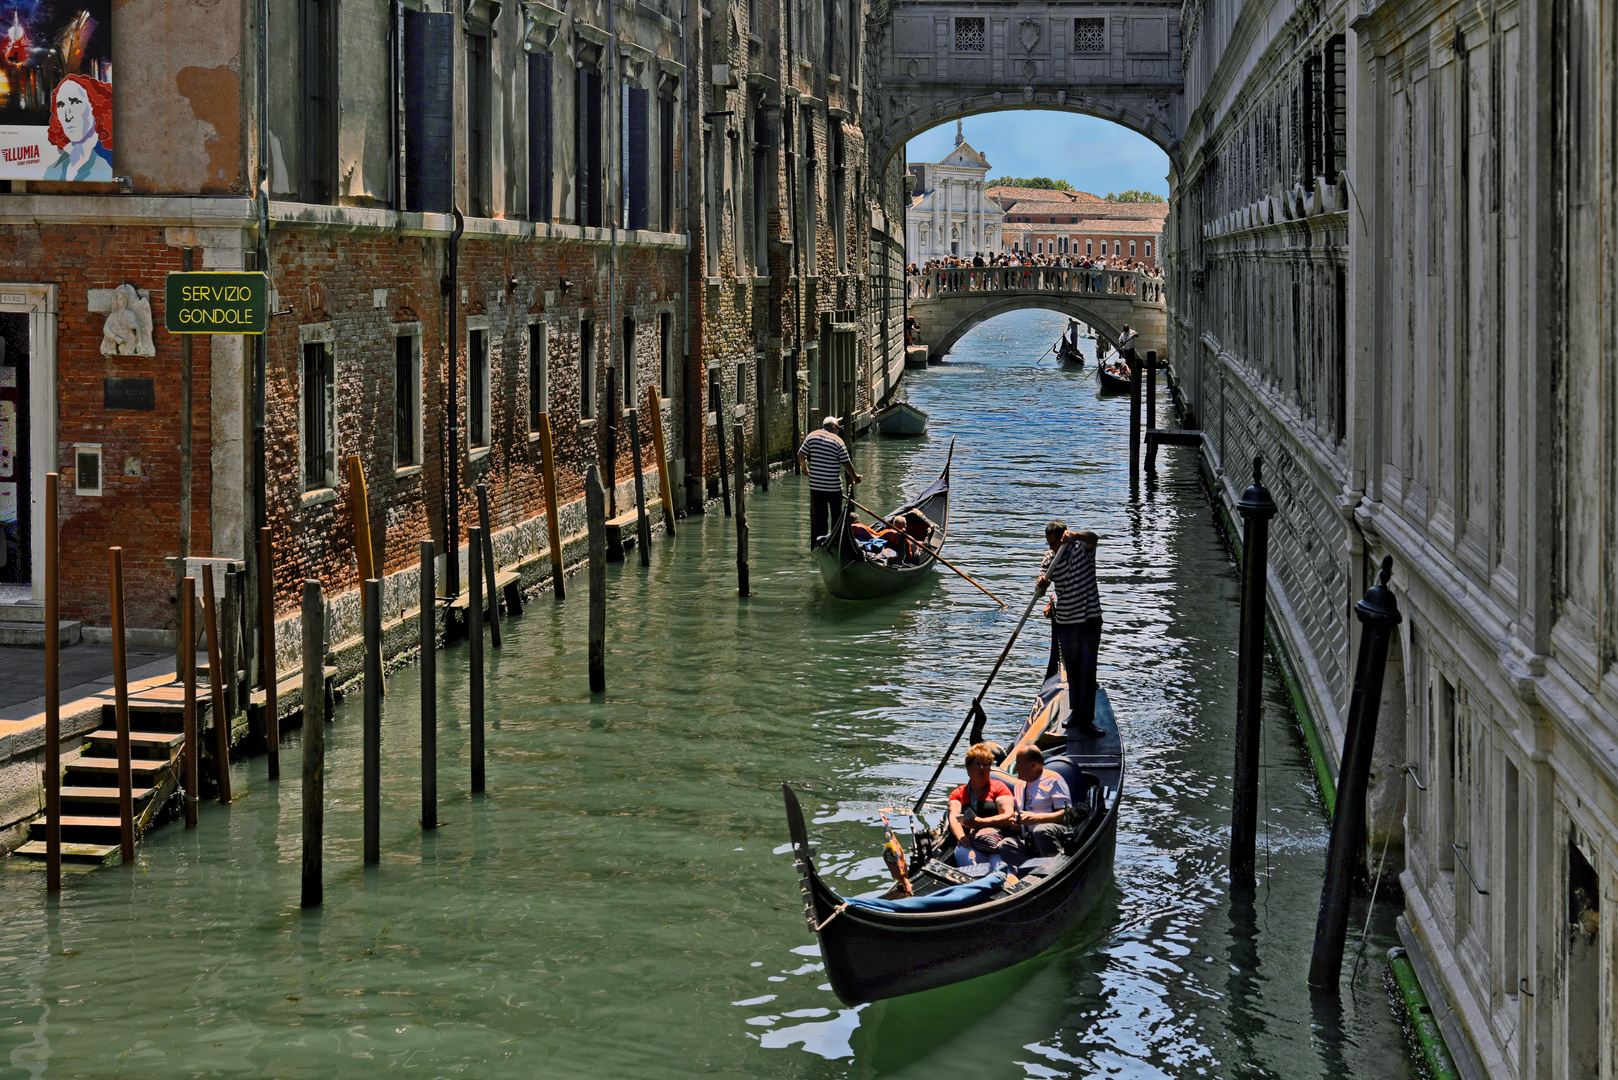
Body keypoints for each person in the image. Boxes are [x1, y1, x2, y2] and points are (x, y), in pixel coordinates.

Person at [1036, 520, 1105, 739]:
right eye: (1049, 544)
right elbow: (1043, 580)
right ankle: (1076, 712)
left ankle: (1087, 719)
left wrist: (1075, 535)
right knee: (1073, 669)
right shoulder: (1050, 558)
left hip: (1089, 619)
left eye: (1054, 543)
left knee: (1087, 669)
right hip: (1065, 621)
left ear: (1063, 537)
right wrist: (1041, 584)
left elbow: (1093, 538)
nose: (1051, 548)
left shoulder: (1081, 550)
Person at [947, 743, 1017, 866]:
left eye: (986, 764)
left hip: (996, 842)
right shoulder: (958, 793)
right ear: (968, 768)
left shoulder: (999, 787)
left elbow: (1007, 814)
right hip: (971, 843)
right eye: (978, 764)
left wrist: (981, 823)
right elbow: (953, 818)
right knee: (960, 851)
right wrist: (962, 838)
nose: (982, 768)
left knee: (1000, 866)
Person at [797, 416, 860, 547]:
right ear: (833, 427)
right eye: (838, 428)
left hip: (816, 486)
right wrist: (855, 478)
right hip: (833, 488)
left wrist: (805, 469)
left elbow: (801, 455)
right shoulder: (838, 441)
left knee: (820, 517)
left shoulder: (812, 436)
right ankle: (835, 542)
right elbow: (847, 464)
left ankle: (821, 544)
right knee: (836, 517)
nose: (838, 431)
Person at [44, 74, 114, 182]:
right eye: (61, 105)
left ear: (95, 106)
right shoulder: (54, 168)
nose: (68, 116)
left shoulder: (108, 161)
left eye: (75, 102)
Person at [1008, 745, 1073, 857]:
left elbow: (1068, 815)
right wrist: (1016, 823)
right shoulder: (1019, 786)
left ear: (1033, 765)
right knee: (1006, 844)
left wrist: (1037, 818)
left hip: (1051, 833)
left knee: (1040, 831)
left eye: (1019, 764)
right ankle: (1025, 872)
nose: (1016, 768)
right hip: (1028, 839)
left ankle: (1052, 864)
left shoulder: (1053, 780)